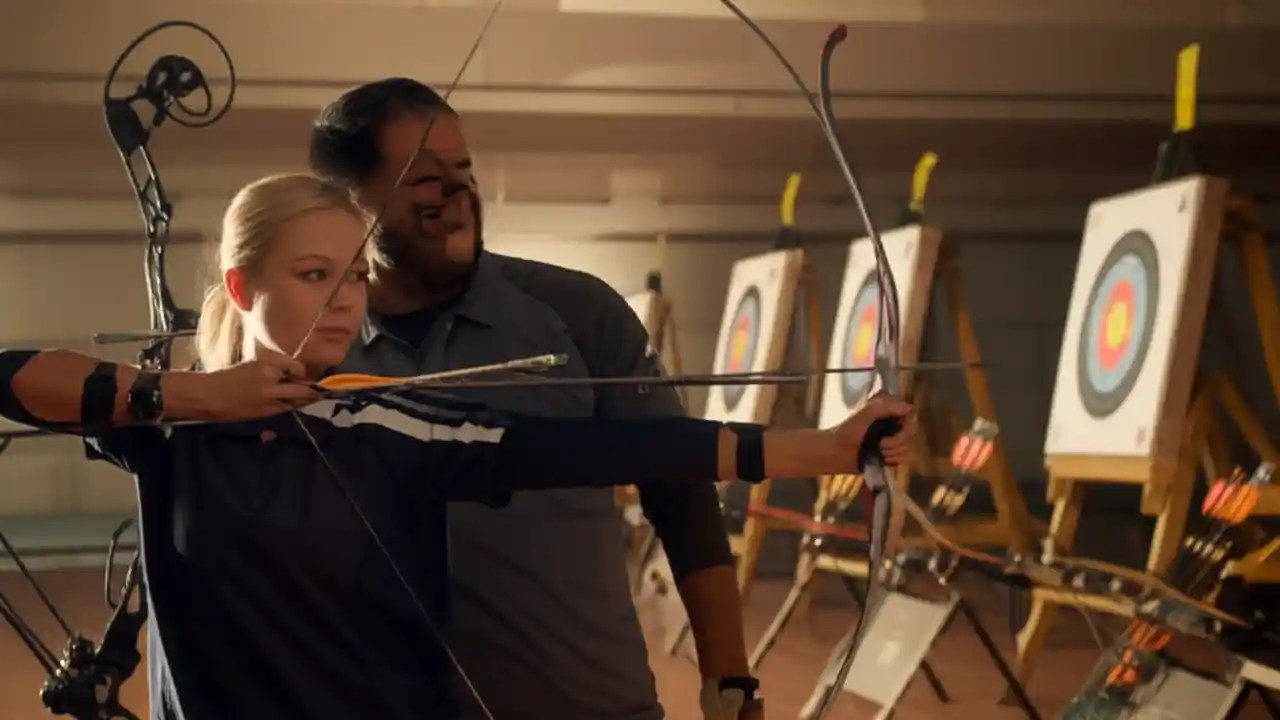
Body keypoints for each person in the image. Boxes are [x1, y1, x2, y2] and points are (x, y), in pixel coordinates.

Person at [0, 173, 916, 720]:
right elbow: (9, 377)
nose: (344, 301)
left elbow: (609, 449)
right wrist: (195, 395)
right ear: (241, 287)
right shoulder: (168, 429)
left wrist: (825, 449)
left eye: (354, 277)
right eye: (314, 275)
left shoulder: (384, 424)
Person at [308, 77, 777, 720]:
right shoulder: (314, 344)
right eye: (426, 178)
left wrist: (730, 683)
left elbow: (681, 491)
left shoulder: (576, 311)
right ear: (350, 198)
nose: (459, 194)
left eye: (464, 170)